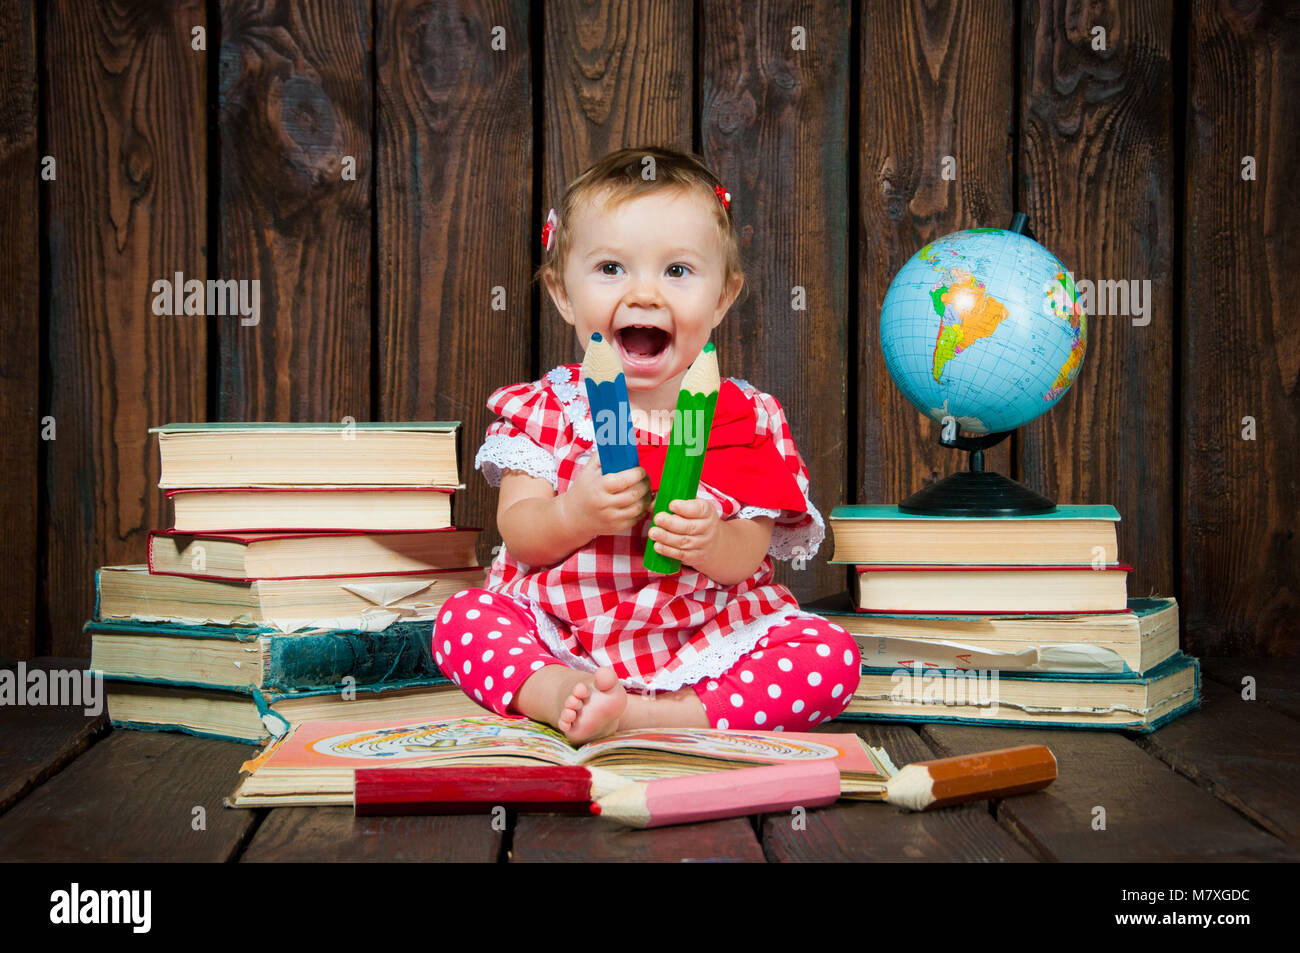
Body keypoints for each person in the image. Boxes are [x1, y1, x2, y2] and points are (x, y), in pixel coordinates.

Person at [435, 145, 859, 743]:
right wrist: (571, 512)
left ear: (723, 297)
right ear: (561, 292)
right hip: (563, 630)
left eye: (677, 271)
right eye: (611, 269)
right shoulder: (547, 409)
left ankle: (652, 718)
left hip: (704, 637)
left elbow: (747, 557)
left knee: (828, 656)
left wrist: (711, 538)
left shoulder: (746, 417)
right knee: (462, 620)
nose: (644, 295)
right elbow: (519, 534)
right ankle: (558, 694)